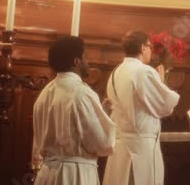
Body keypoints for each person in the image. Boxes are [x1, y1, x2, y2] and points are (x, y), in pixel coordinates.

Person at [31, 36, 115, 185]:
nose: (88, 62)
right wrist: (105, 121)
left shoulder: (44, 94)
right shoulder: (82, 93)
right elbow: (100, 143)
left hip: (47, 173)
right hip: (74, 174)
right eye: (85, 57)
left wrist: (99, 115)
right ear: (76, 61)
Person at [103, 31, 181, 185]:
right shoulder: (143, 71)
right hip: (140, 148)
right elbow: (165, 105)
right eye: (149, 46)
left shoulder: (116, 72)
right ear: (142, 48)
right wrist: (161, 81)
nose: (151, 50)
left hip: (121, 145)